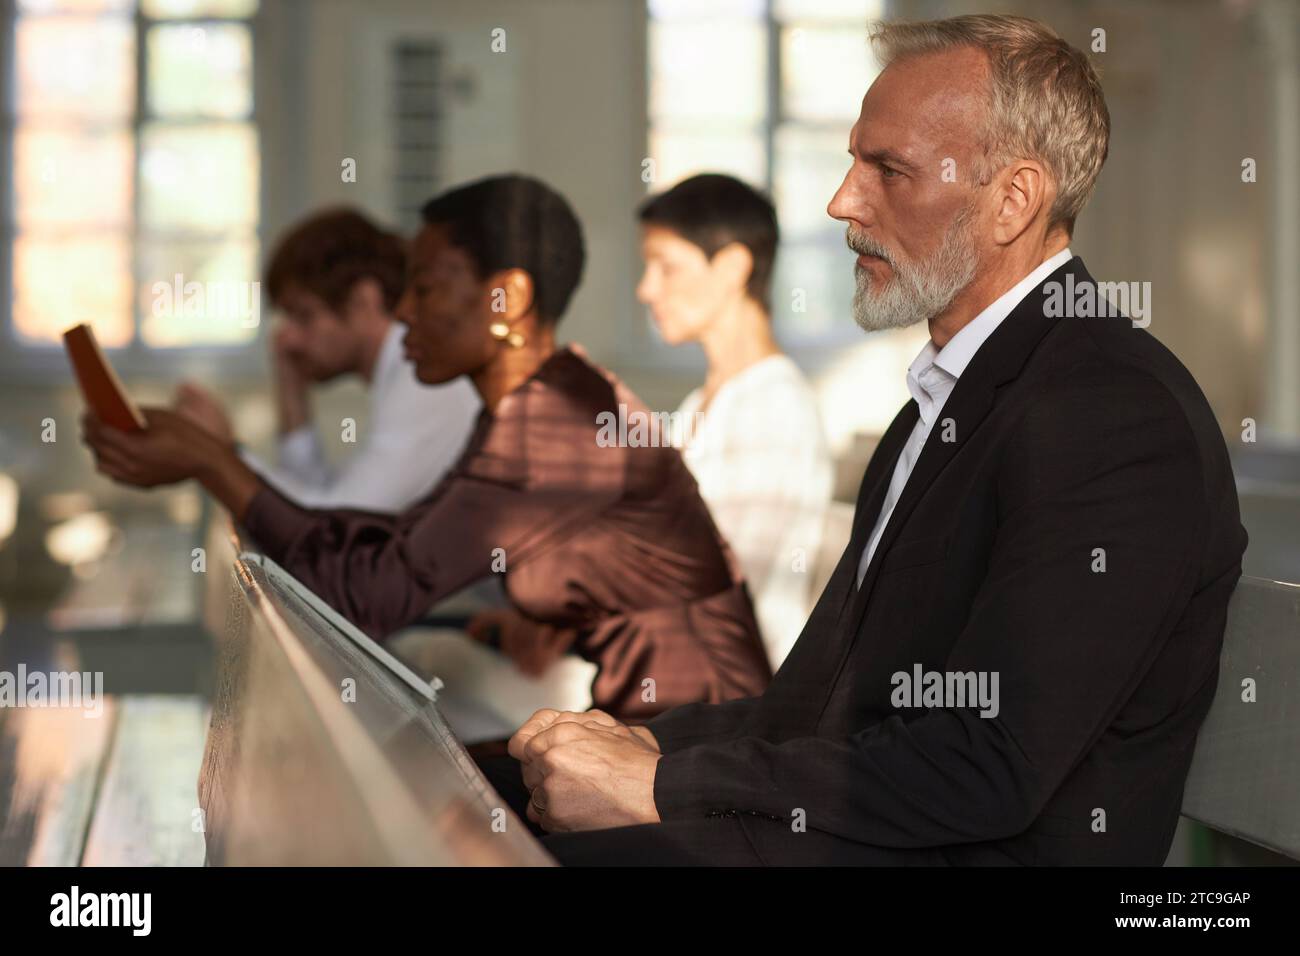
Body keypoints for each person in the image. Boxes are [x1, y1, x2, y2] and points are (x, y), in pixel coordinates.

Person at [479, 14, 1249, 866]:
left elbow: (990, 766)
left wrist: (659, 787)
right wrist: (637, 743)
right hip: (884, 831)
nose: (842, 201)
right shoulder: (950, 395)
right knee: (490, 787)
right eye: (853, 161)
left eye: (889, 169)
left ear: (1014, 199)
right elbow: (820, 706)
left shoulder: (1111, 414)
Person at [82, 175, 772, 722]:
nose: (404, 310)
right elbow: (398, 547)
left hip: (695, 767)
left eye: (426, 286)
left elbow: (370, 593)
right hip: (643, 738)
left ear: (506, 299)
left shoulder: (555, 418)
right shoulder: (526, 408)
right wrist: (216, 461)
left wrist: (214, 462)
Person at [636, 174, 832, 669]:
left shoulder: (775, 407)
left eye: (666, 267)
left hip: (722, 685)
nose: (646, 289)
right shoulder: (698, 404)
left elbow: (716, 583)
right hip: (668, 661)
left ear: (732, 268)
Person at [175, 207, 481, 513]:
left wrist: (224, 455)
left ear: (363, 301)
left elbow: (334, 529)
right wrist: (291, 390)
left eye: (304, 315)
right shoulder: (403, 374)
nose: (286, 338)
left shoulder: (426, 381)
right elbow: (315, 508)